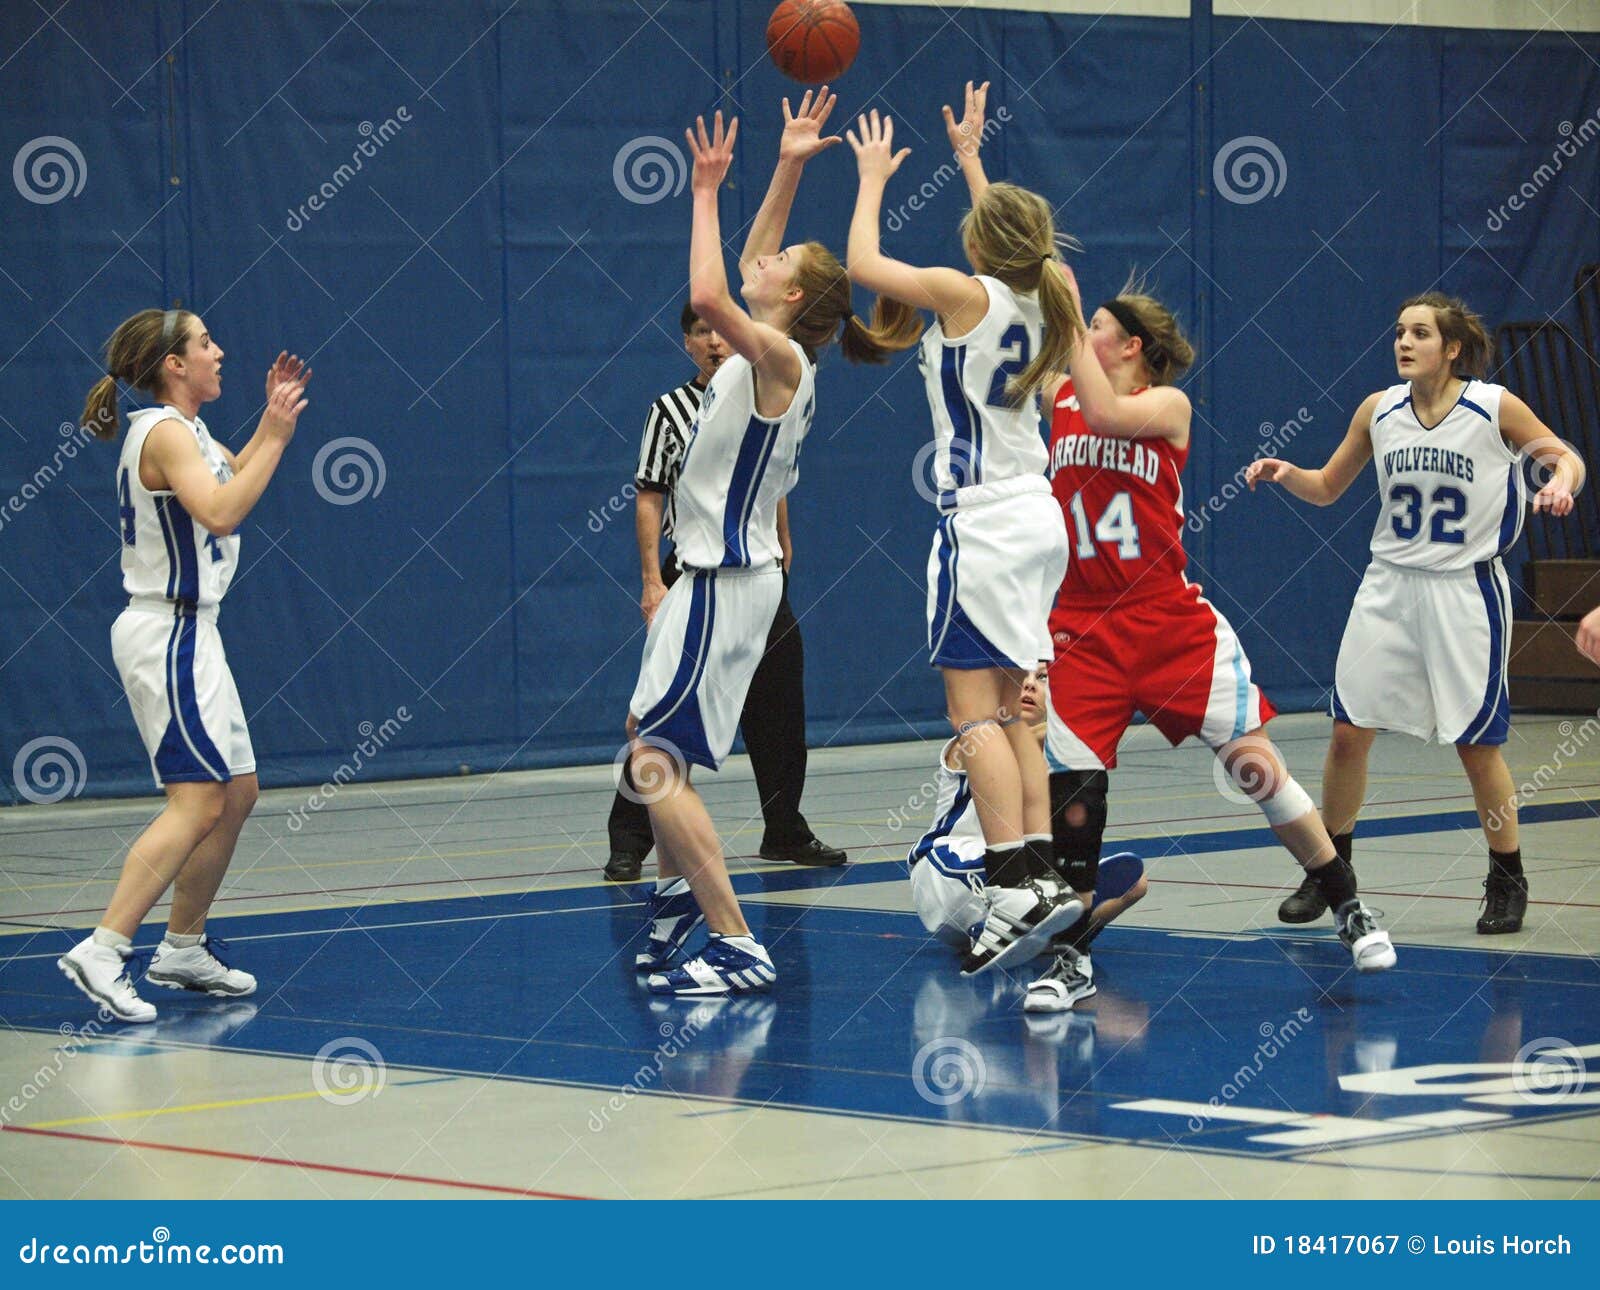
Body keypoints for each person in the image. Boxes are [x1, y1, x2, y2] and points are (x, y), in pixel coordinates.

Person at [631, 93, 903, 996]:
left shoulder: (778, 360)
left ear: (791, 298)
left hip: (723, 581)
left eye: (782, 261)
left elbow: (712, 288)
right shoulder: (769, 353)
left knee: (656, 764)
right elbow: (746, 269)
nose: (768, 256)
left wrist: (705, 189)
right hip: (711, 580)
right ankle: (676, 909)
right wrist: (787, 165)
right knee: (646, 735)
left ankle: (735, 939)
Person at [1247, 292, 1582, 936]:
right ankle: (1330, 874)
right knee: (1349, 731)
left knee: (1476, 746)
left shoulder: (1492, 405)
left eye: (1420, 333)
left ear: (1451, 348)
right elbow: (1326, 488)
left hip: (1465, 590)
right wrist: (1289, 472)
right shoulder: (1379, 410)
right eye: (1399, 331)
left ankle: (1507, 876)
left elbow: (1563, 454)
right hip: (1389, 587)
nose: (1403, 342)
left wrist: (1561, 479)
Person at [845, 104, 1082, 976]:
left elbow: (867, 264)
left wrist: (872, 176)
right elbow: (1030, 254)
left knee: (968, 713)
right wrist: (973, 162)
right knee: (1019, 705)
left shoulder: (963, 290)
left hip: (980, 522)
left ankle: (1013, 881)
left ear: (978, 246)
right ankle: (1034, 871)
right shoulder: (1050, 296)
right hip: (1041, 516)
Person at [57, 309, 308, 1022]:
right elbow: (223, 510)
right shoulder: (162, 432)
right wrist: (280, 438)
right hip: (166, 633)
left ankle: (182, 946)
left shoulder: (189, 432)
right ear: (174, 364)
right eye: (205, 343)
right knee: (196, 799)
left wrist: (271, 422)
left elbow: (235, 470)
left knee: (238, 792)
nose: (219, 351)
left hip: (196, 633)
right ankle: (104, 949)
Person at [605, 303, 845, 882]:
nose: (714, 342)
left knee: (781, 694)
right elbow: (649, 496)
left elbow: (772, 476)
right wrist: (650, 581)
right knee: (661, 709)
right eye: (701, 333)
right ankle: (631, 838)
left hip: (757, 566)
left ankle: (783, 826)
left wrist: (785, 538)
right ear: (686, 342)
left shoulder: (765, 383)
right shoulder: (669, 412)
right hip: (697, 569)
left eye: (719, 330)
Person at [907, 665, 1149, 1012]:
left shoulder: (1057, 766)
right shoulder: (979, 736)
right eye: (1021, 679)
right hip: (943, 875)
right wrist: (1083, 720)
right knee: (1026, 866)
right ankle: (1039, 915)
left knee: (1134, 883)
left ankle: (1044, 932)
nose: (1029, 686)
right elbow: (1020, 738)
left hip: (995, 896)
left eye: (1043, 678)